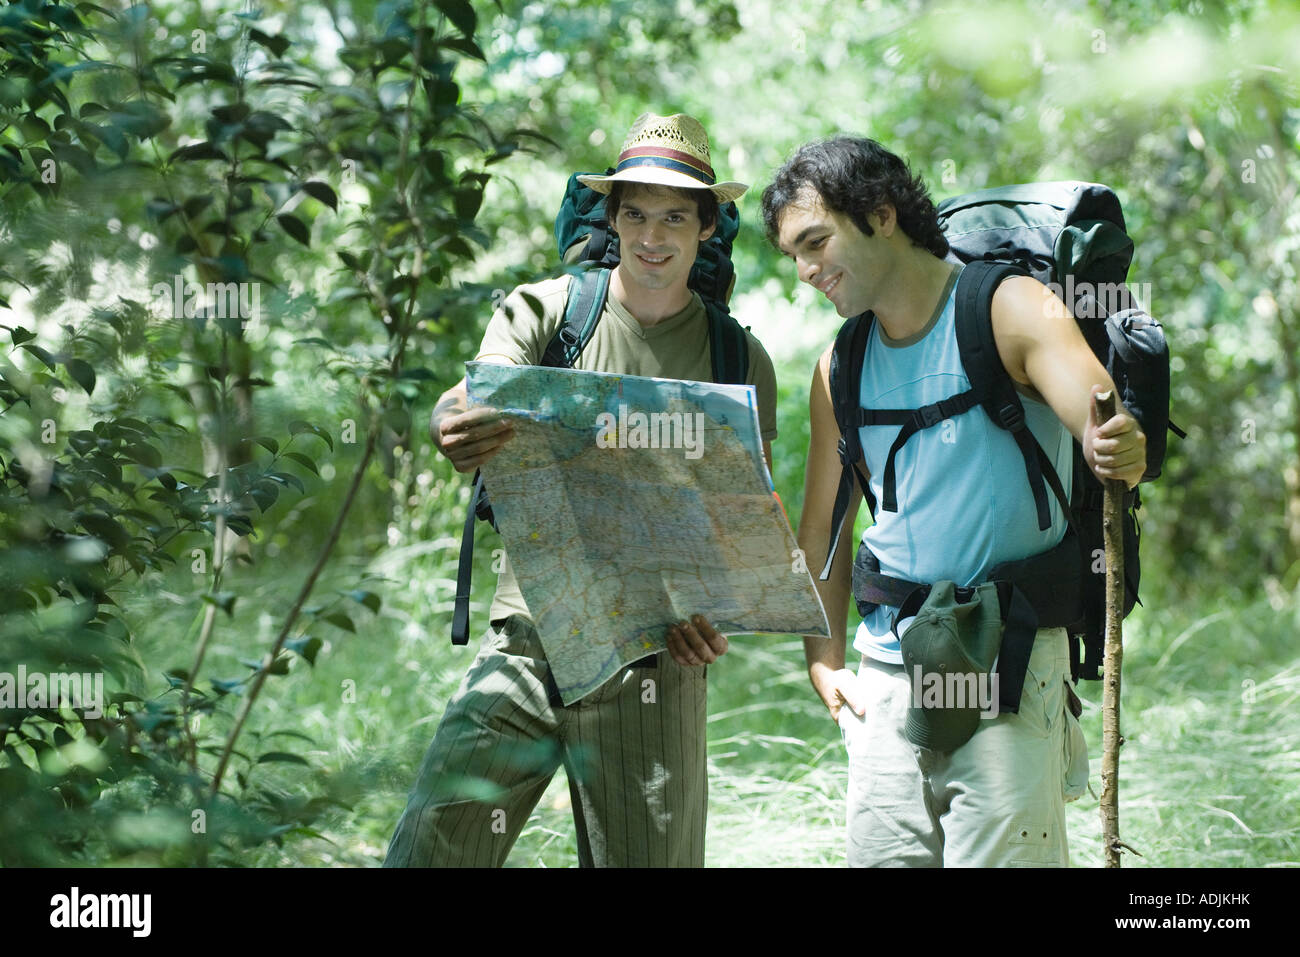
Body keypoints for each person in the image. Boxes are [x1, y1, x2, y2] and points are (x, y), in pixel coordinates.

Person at [385, 112, 779, 867]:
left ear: (705, 229)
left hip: (657, 657)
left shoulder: (737, 358)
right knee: (431, 849)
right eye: (634, 213)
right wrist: (450, 421)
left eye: (673, 217)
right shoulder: (551, 310)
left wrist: (719, 609)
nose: (651, 235)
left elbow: (746, 520)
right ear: (612, 218)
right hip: (528, 637)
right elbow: (468, 393)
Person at [760, 137, 1146, 867]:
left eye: (815, 243)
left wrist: (1120, 446)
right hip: (887, 669)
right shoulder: (838, 364)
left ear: (880, 216)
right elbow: (824, 532)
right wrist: (825, 657)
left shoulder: (1011, 308)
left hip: (1013, 653)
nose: (808, 272)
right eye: (794, 257)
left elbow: (1107, 433)